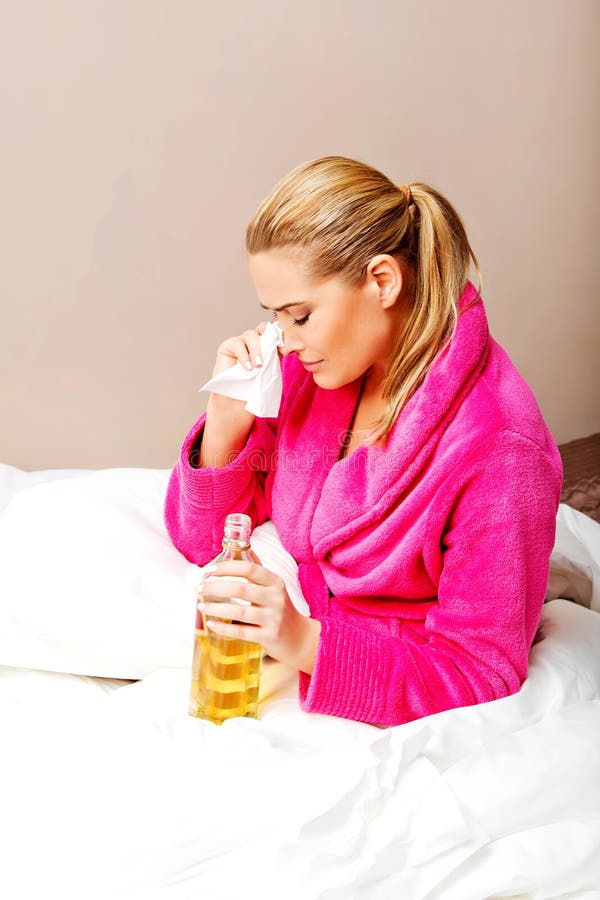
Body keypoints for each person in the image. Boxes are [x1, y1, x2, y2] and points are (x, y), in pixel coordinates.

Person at [164, 156, 562, 727]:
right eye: (276, 317)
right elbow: (205, 538)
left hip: (383, 684)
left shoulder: (498, 449)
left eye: (299, 316)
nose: (285, 341)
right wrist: (226, 419)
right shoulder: (320, 370)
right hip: (293, 634)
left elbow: (482, 669)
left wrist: (304, 642)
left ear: (382, 281)